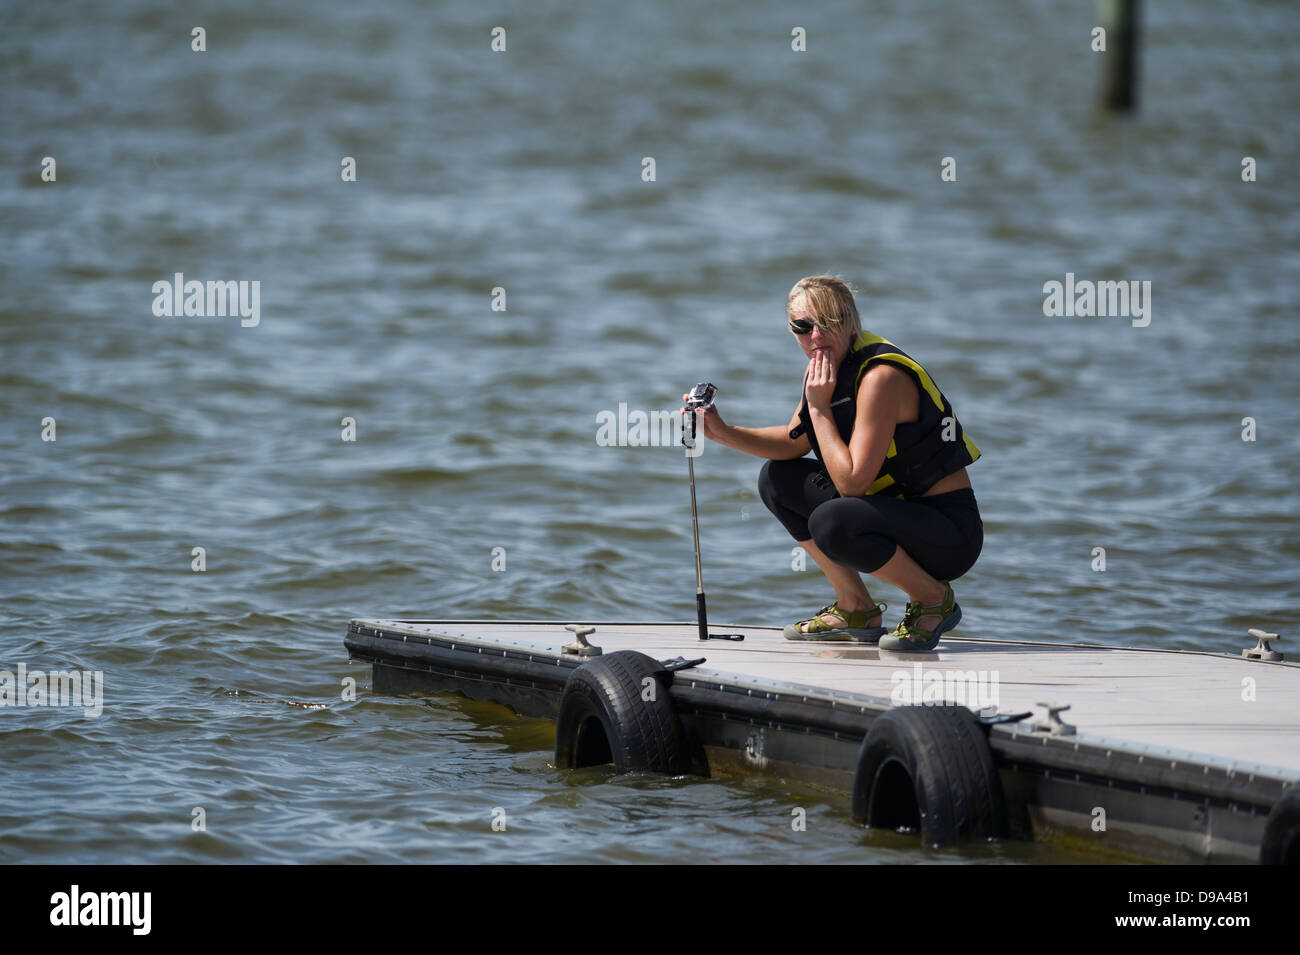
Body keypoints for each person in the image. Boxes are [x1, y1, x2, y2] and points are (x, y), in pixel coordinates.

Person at [682, 276, 983, 651]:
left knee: (834, 520)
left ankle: (933, 599)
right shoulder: (825, 370)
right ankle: (856, 607)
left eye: (830, 321)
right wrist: (723, 432)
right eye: (803, 327)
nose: (817, 336)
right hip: (891, 516)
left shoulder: (880, 377)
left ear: (852, 322)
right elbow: (793, 443)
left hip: (949, 534)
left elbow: (853, 484)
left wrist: (820, 407)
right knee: (777, 480)